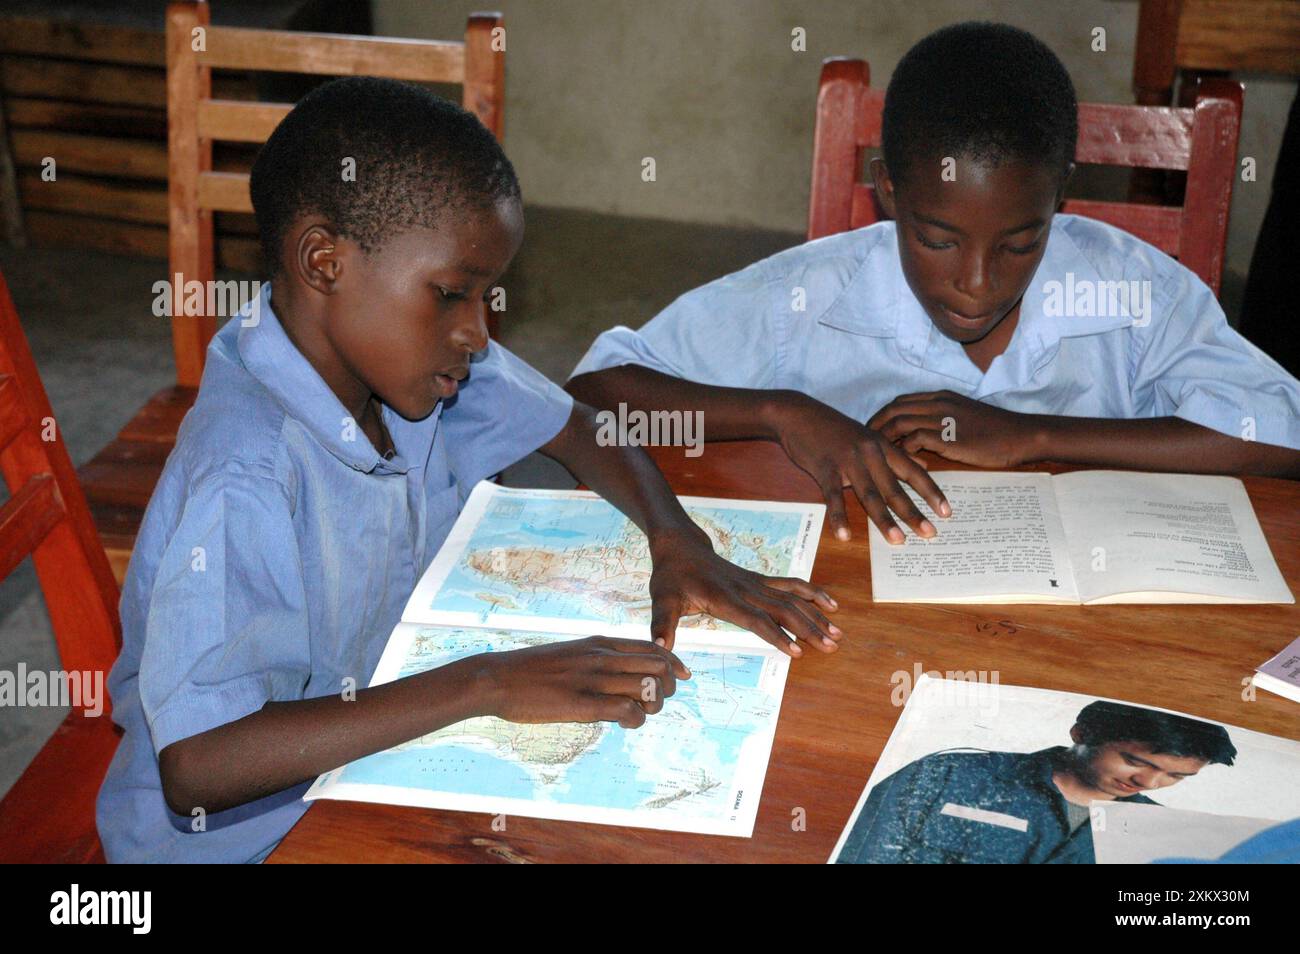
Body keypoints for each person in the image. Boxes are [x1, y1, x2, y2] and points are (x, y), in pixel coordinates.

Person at [96, 77, 840, 863]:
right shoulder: (245, 473)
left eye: (486, 296)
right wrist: (484, 685)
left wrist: (674, 538)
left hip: (376, 758)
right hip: (256, 840)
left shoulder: (409, 368)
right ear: (324, 261)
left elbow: (583, 427)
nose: (478, 333)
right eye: (452, 294)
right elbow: (197, 766)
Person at [568, 22, 1300, 549]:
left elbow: (1278, 437)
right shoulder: (814, 294)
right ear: (888, 191)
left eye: (1021, 241)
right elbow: (595, 398)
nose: (977, 284)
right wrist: (783, 412)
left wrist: (1034, 435)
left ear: (1061, 199)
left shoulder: (1129, 288)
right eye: (937, 239)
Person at [835, 701, 1237, 864]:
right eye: (1133, 760)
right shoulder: (948, 776)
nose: (1148, 781)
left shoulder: (1165, 838)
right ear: (1082, 733)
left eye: (1176, 776)